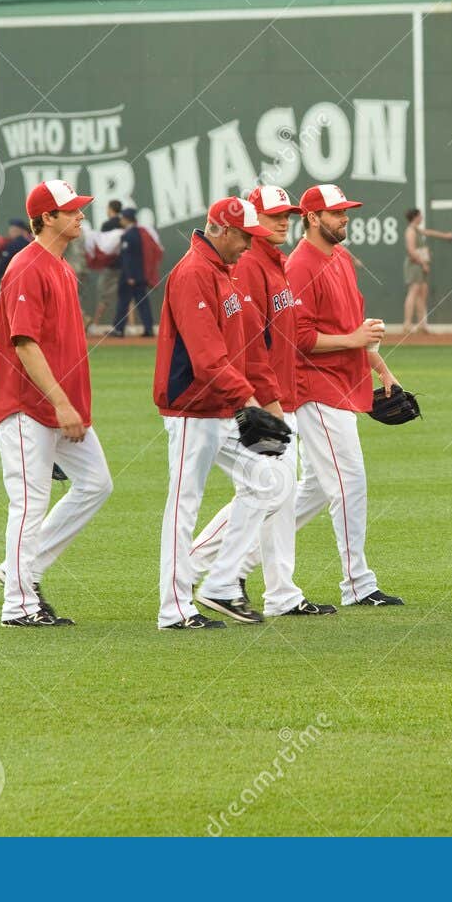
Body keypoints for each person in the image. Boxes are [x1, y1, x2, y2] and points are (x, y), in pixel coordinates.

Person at [190, 185, 338, 621]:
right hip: (263, 399)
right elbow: (250, 346)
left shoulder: (276, 264)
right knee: (265, 488)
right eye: (273, 214)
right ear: (250, 219)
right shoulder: (250, 265)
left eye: (287, 214)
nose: (282, 221)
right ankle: (191, 567)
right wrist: (263, 402)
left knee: (281, 495)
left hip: (283, 394)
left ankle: (281, 593)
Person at [154, 196, 284, 631]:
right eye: (245, 236)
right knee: (184, 503)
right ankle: (173, 609)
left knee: (267, 482)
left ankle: (222, 583)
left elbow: (250, 351)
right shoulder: (192, 273)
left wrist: (270, 406)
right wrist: (248, 401)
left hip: (222, 405)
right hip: (191, 407)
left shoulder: (227, 273)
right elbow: (208, 359)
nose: (249, 245)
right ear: (222, 231)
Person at [0, 180, 113, 627]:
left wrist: (69, 405)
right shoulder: (27, 267)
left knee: (96, 483)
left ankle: (21, 570)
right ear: (46, 218)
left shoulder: (61, 267)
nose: (81, 215)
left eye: (80, 208)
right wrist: (61, 404)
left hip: (60, 409)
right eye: (71, 210)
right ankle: (17, 605)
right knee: (28, 503)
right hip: (27, 406)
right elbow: (24, 344)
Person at [288, 183, 405, 608]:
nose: (344, 218)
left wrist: (383, 369)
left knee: (310, 493)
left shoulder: (339, 258)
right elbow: (298, 338)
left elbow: (354, 329)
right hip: (315, 388)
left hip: (343, 386)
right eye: (335, 213)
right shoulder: (299, 265)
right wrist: (355, 337)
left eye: (345, 211)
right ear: (312, 218)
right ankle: (357, 584)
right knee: (349, 482)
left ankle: (229, 562)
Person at [402, 207, 452, 334]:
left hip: (420, 265)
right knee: (413, 292)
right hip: (415, 265)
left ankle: (422, 324)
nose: (422, 218)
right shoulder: (410, 231)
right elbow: (411, 250)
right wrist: (423, 263)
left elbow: (429, 233)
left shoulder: (417, 230)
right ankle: (407, 324)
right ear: (415, 217)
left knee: (422, 294)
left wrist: (446, 236)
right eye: (420, 216)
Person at [112, 207, 154, 337]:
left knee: (123, 302)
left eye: (123, 218)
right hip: (140, 275)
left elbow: (128, 257)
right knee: (142, 303)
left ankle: (119, 329)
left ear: (126, 219)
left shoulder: (128, 235)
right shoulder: (140, 233)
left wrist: (130, 276)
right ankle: (148, 328)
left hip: (129, 276)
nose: (121, 220)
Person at [92, 198, 124, 330]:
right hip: (123, 265)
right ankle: (131, 325)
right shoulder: (124, 224)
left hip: (110, 266)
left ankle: (95, 324)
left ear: (110, 209)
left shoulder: (107, 225)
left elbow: (103, 247)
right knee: (126, 297)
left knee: (104, 296)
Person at [0, 219, 31, 284]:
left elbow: (5, 262)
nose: (10, 232)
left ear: (19, 231)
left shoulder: (13, 244)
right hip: (27, 278)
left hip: (12, 279)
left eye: (12, 230)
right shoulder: (29, 243)